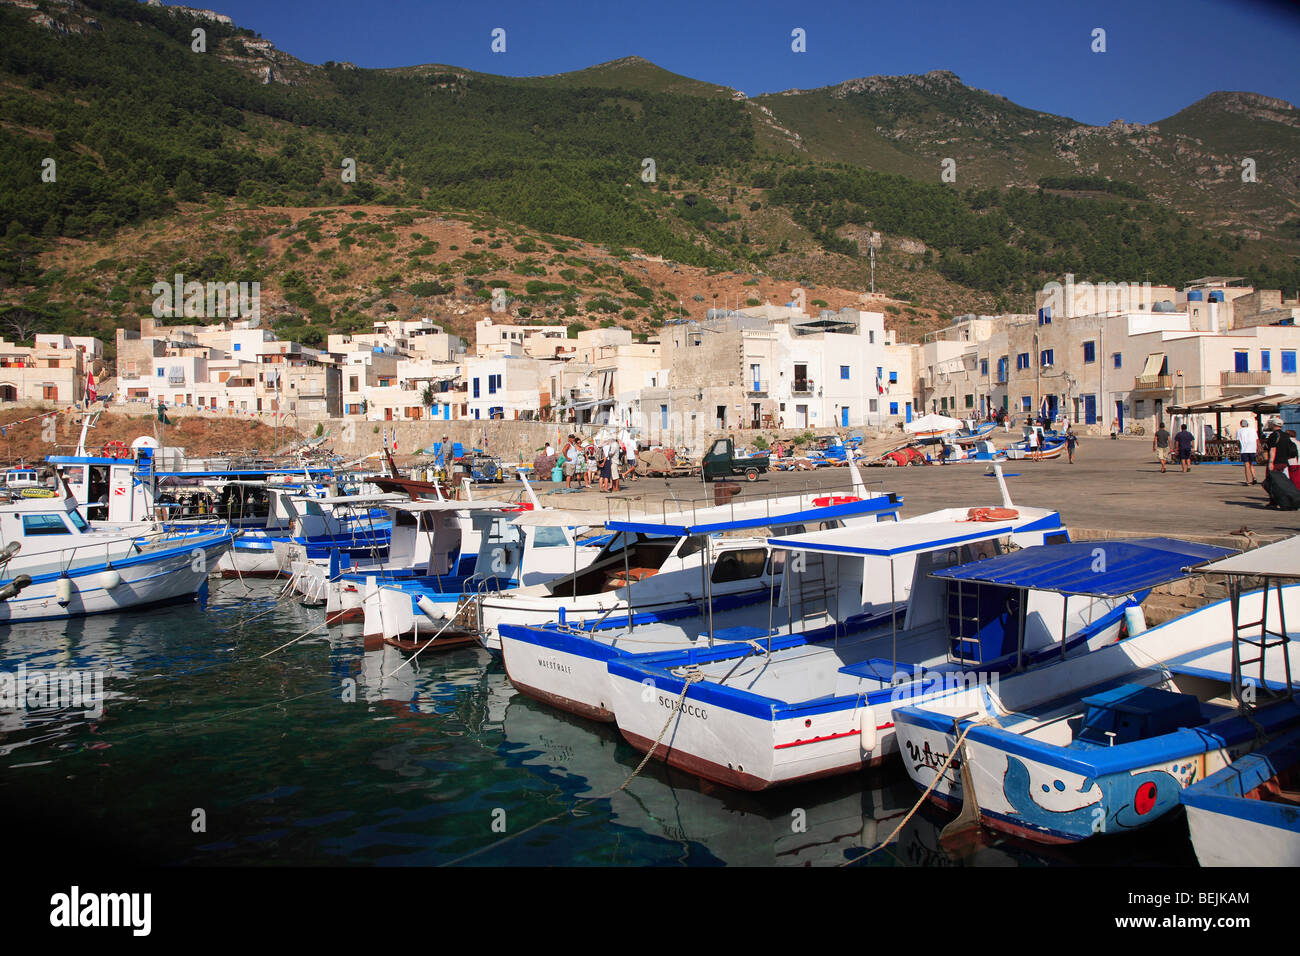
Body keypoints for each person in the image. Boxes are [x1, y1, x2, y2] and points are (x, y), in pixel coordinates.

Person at [1235, 418, 1258, 485]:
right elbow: (1257, 440)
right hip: (1253, 449)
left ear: (1241, 424)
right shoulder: (1253, 430)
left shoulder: (1239, 431)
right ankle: (1254, 477)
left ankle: (1248, 480)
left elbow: (1238, 441)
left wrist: (1239, 448)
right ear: (1247, 424)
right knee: (1251, 464)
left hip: (1244, 449)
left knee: (1246, 465)